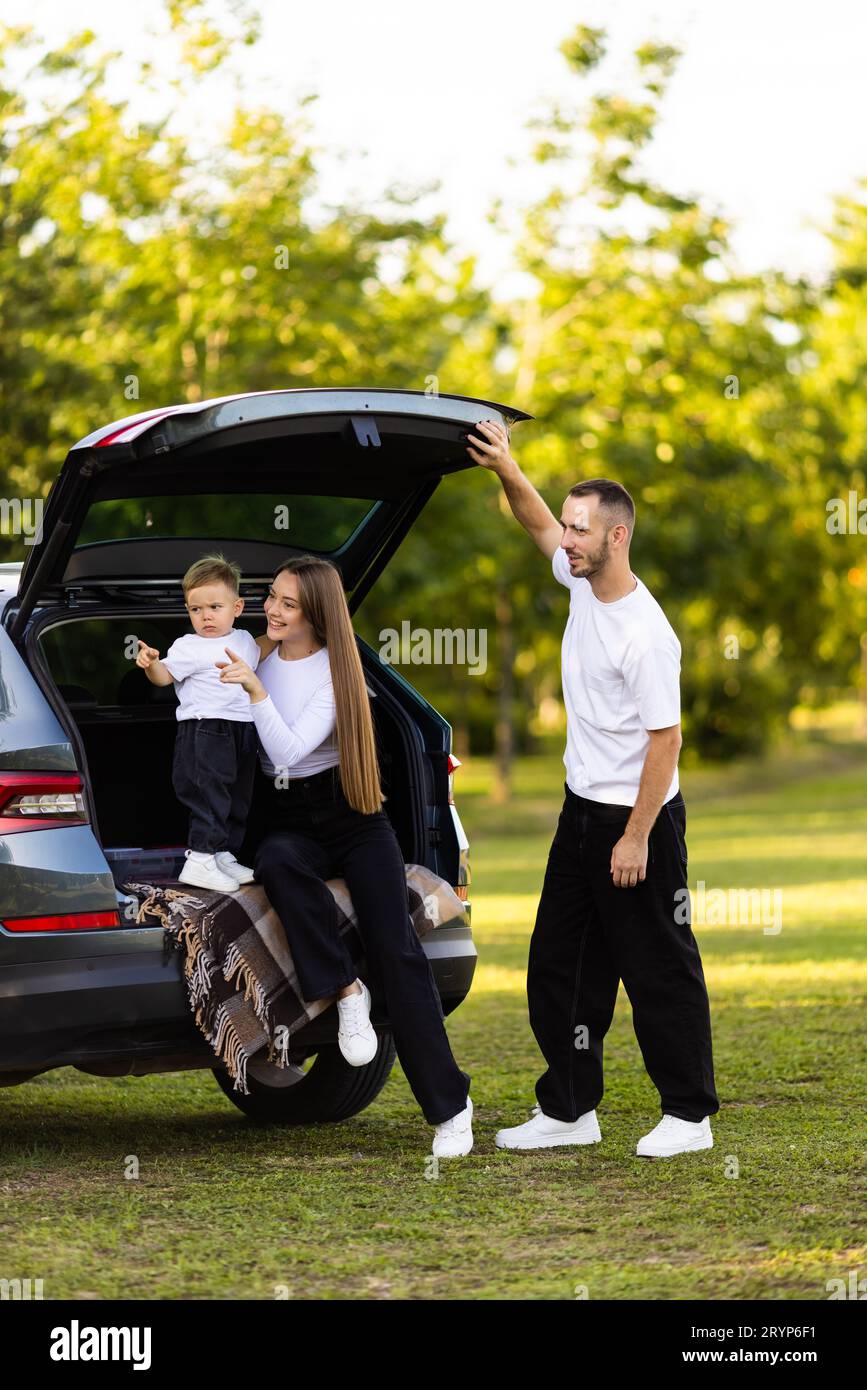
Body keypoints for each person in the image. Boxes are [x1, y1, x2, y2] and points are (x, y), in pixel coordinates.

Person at [468, 419, 719, 1159]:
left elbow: (665, 741)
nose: (565, 539)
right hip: (579, 813)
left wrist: (635, 836)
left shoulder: (644, 633)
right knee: (558, 965)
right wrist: (505, 467)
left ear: (616, 538)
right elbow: (536, 519)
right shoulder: (579, 580)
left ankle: (688, 1116)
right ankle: (570, 1109)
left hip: (637, 819)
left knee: (656, 967)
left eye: (580, 530)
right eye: (569, 527)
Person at [215, 554, 474, 1157]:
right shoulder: (255, 653)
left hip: (353, 817)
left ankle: (451, 1107)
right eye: (270, 596)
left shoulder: (337, 669)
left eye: (286, 603)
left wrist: (254, 691)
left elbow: (285, 751)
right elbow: (197, 655)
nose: (271, 609)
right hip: (290, 818)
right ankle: (344, 991)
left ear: (315, 613)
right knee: (277, 862)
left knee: (397, 949)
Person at [136, 553, 275, 893]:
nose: (206, 616)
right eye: (196, 610)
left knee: (237, 796)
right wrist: (151, 663)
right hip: (205, 730)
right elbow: (164, 678)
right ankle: (199, 859)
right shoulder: (188, 647)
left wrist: (295, 626)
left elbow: (263, 648)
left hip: (242, 728)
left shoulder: (243, 640)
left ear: (237, 608)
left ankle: (221, 853)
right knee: (209, 796)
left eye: (215, 607)